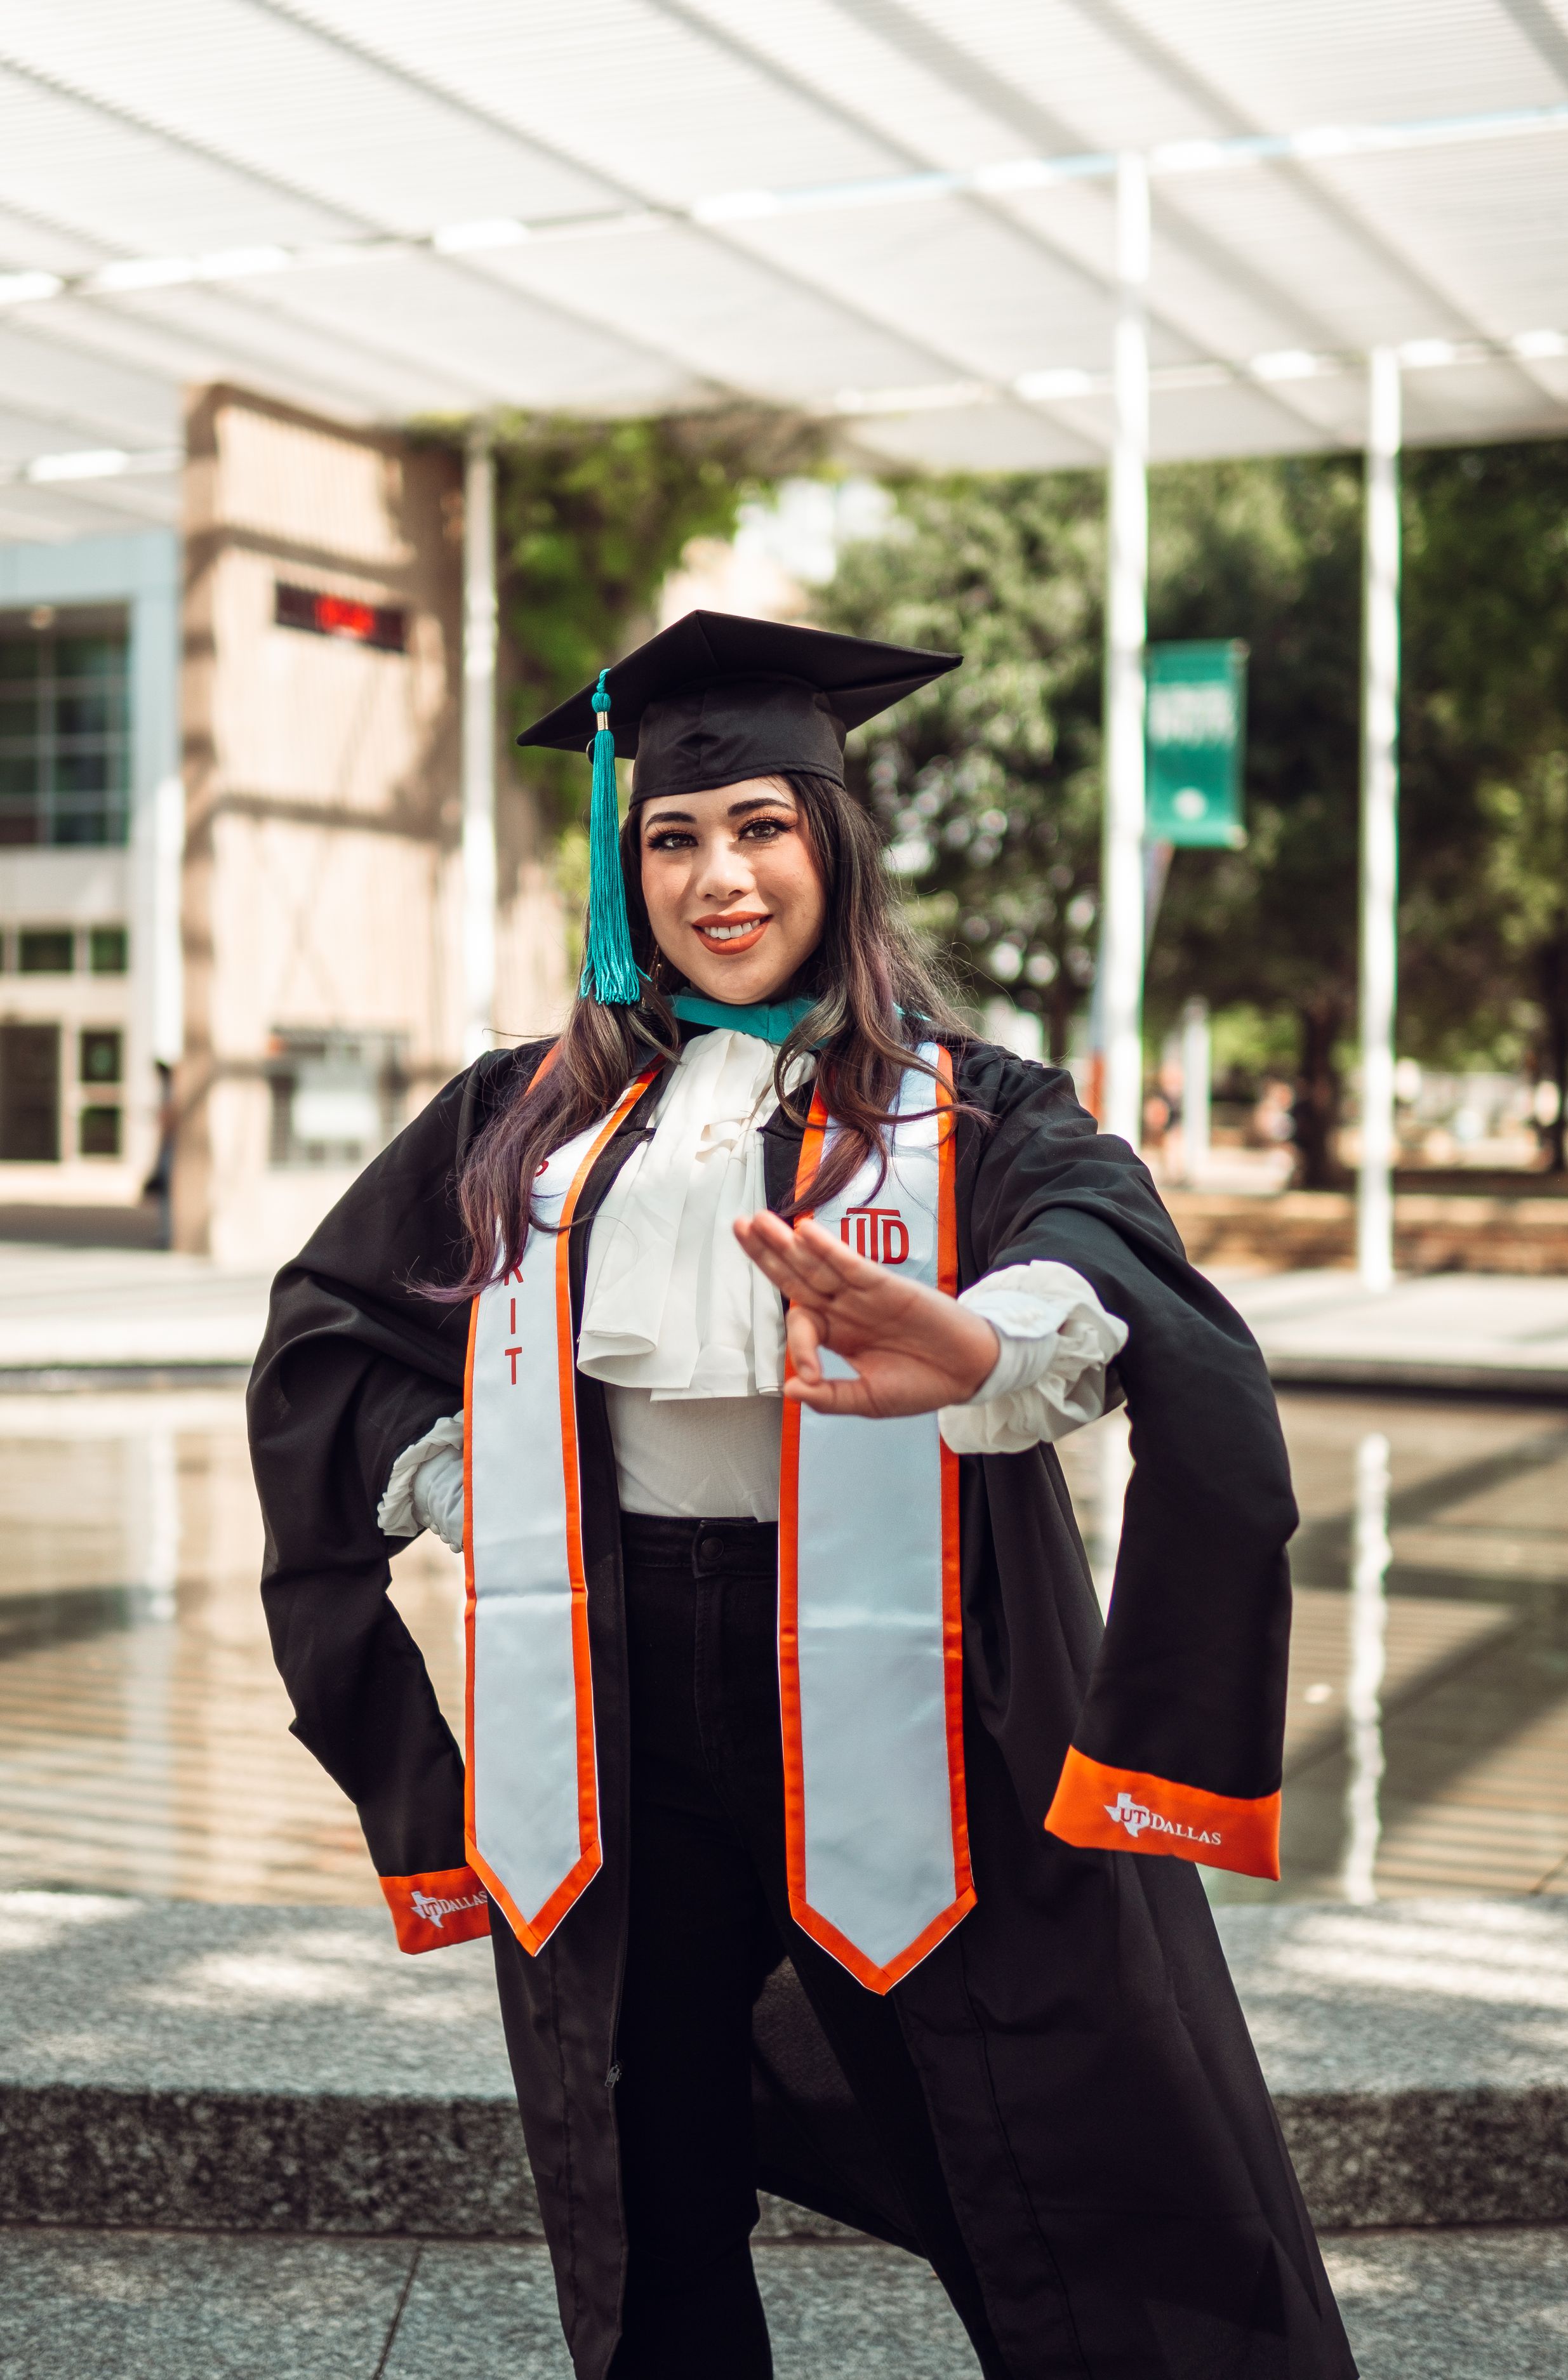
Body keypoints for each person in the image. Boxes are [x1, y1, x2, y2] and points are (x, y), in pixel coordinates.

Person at [248, 611, 1355, 2380]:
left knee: (1031, 2129)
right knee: (645, 2137)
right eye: (671, 840)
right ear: (628, 875)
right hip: (619, 1709)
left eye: (758, 827)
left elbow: (1102, 1259)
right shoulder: (525, 1121)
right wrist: (472, 1466)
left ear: (832, 847)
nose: (718, 877)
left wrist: (982, 1346)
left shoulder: (962, 1108)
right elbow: (333, 1329)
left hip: (911, 1692)